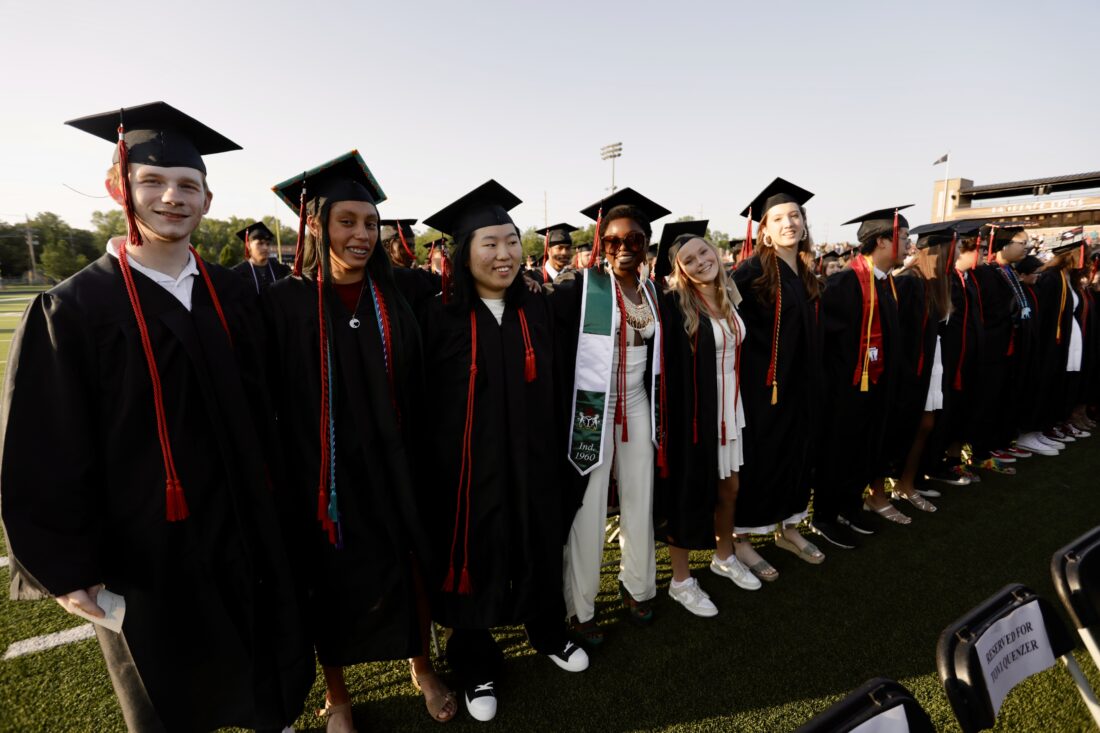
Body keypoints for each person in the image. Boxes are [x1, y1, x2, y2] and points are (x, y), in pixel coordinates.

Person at [0, 102, 313, 732]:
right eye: (153, 181)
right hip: (144, 546)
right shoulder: (75, 308)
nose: (172, 196)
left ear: (207, 197)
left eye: (188, 185)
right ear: (120, 186)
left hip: (247, 525)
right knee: (169, 686)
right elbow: (44, 446)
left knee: (263, 658)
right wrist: (66, 568)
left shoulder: (230, 294)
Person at [267, 152, 452, 731]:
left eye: (370, 223)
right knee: (330, 583)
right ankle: (338, 693)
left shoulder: (399, 295)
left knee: (410, 568)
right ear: (316, 226)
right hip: (322, 477)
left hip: (398, 465)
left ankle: (421, 666)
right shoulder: (282, 304)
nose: (361, 235)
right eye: (346, 221)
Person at [419, 180, 588, 723]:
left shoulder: (536, 310)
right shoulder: (435, 316)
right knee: (477, 552)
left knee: (538, 541)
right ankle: (476, 662)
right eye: (489, 243)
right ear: (463, 251)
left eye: (511, 241)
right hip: (467, 472)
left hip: (534, 460)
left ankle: (548, 632)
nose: (504, 254)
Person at [554, 187, 670, 642]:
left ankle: (637, 585)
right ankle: (579, 606)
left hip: (639, 402)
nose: (624, 249)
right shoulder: (583, 289)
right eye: (614, 241)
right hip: (592, 408)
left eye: (635, 240)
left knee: (640, 496)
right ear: (602, 244)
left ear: (646, 243)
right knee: (589, 504)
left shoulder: (653, 291)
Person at [655, 222, 761, 619]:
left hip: (730, 409)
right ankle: (680, 581)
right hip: (695, 415)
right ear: (679, 270)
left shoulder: (730, 295)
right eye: (689, 260)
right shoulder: (675, 303)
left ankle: (723, 555)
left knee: (729, 487)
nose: (701, 262)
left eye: (704, 253)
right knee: (689, 494)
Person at [731, 178, 824, 580]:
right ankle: (742, 539)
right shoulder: (749, 274)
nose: (790, 223)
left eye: (796, 215)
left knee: (795, 456)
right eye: (780, 218)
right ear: (763, 229)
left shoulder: (805, 271)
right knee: (759, 460)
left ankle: (789, 527)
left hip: (799, 387)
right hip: (760, 390)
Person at [884, 224, 954, 510]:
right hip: (909, 368)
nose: (959, 252)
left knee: (926, 424)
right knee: (918, 424)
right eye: (955, 248)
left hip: (930, 361)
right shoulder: (909, 281)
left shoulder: (931, 282)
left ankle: (906, 483)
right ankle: (894, 484)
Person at [380, 218, 443, 313]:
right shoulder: (407, 277)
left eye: (413, 246)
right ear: (388, 246)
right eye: (407, 246)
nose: (413, 251)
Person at [233, 221, 290, 293]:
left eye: (268, 244)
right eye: (260, 243)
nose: (265, 247)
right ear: (248, 245)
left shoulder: (282, 270)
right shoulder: (238, 273)